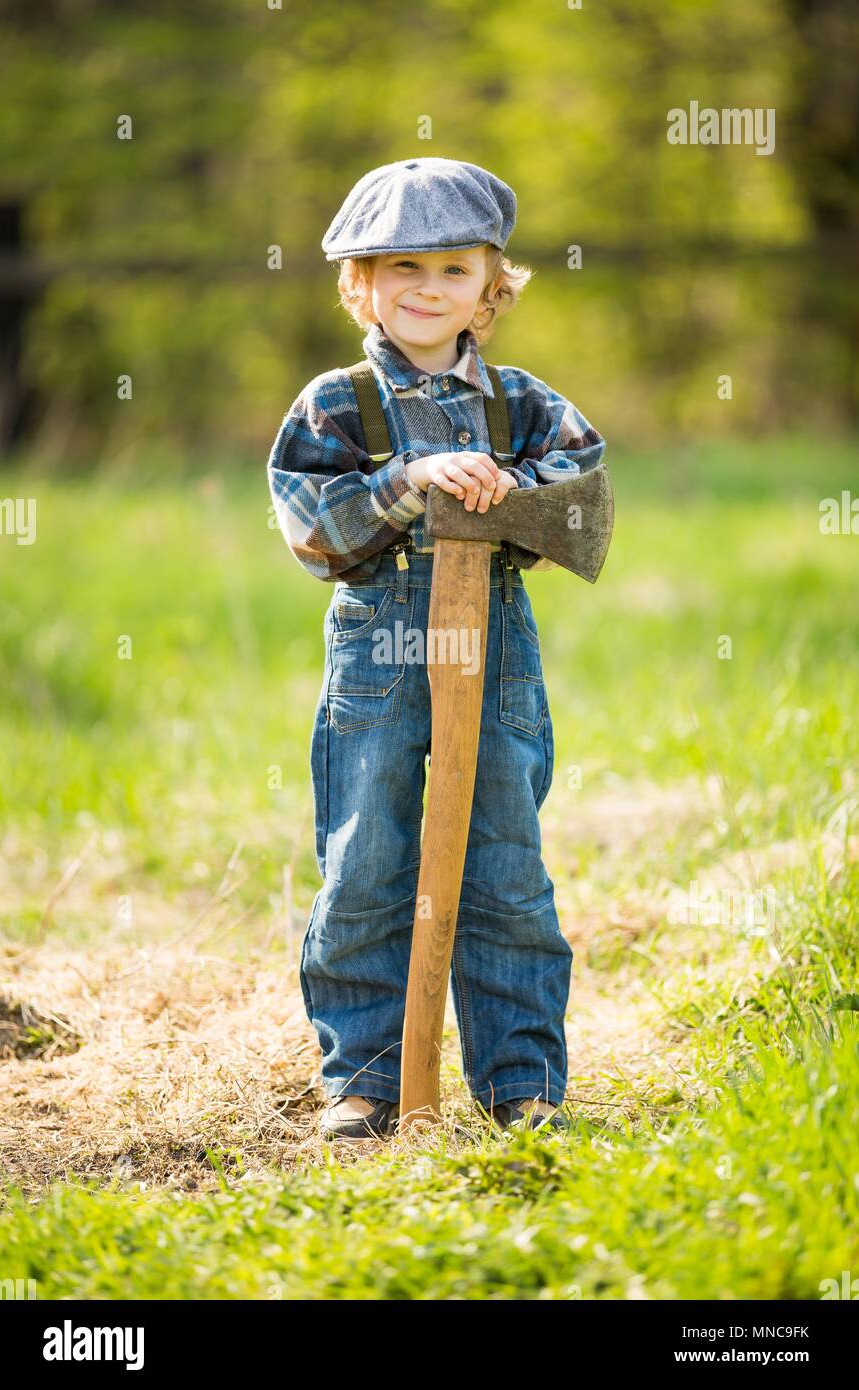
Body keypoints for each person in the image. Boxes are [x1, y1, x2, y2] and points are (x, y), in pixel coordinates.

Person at [267, 157, 606, 1141]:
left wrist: (509, 489)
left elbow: (580, 490)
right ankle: (364, 1082)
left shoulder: (523, 406)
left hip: (493, 650)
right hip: (379, 652)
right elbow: (311, 526)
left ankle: (520, 1085)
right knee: (367, 853)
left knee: (503, 862)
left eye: (452, 268)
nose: (425, 287)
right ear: (359, 284)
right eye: (399, 265)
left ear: (490, 286)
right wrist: (409, 478)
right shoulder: (336, 405)